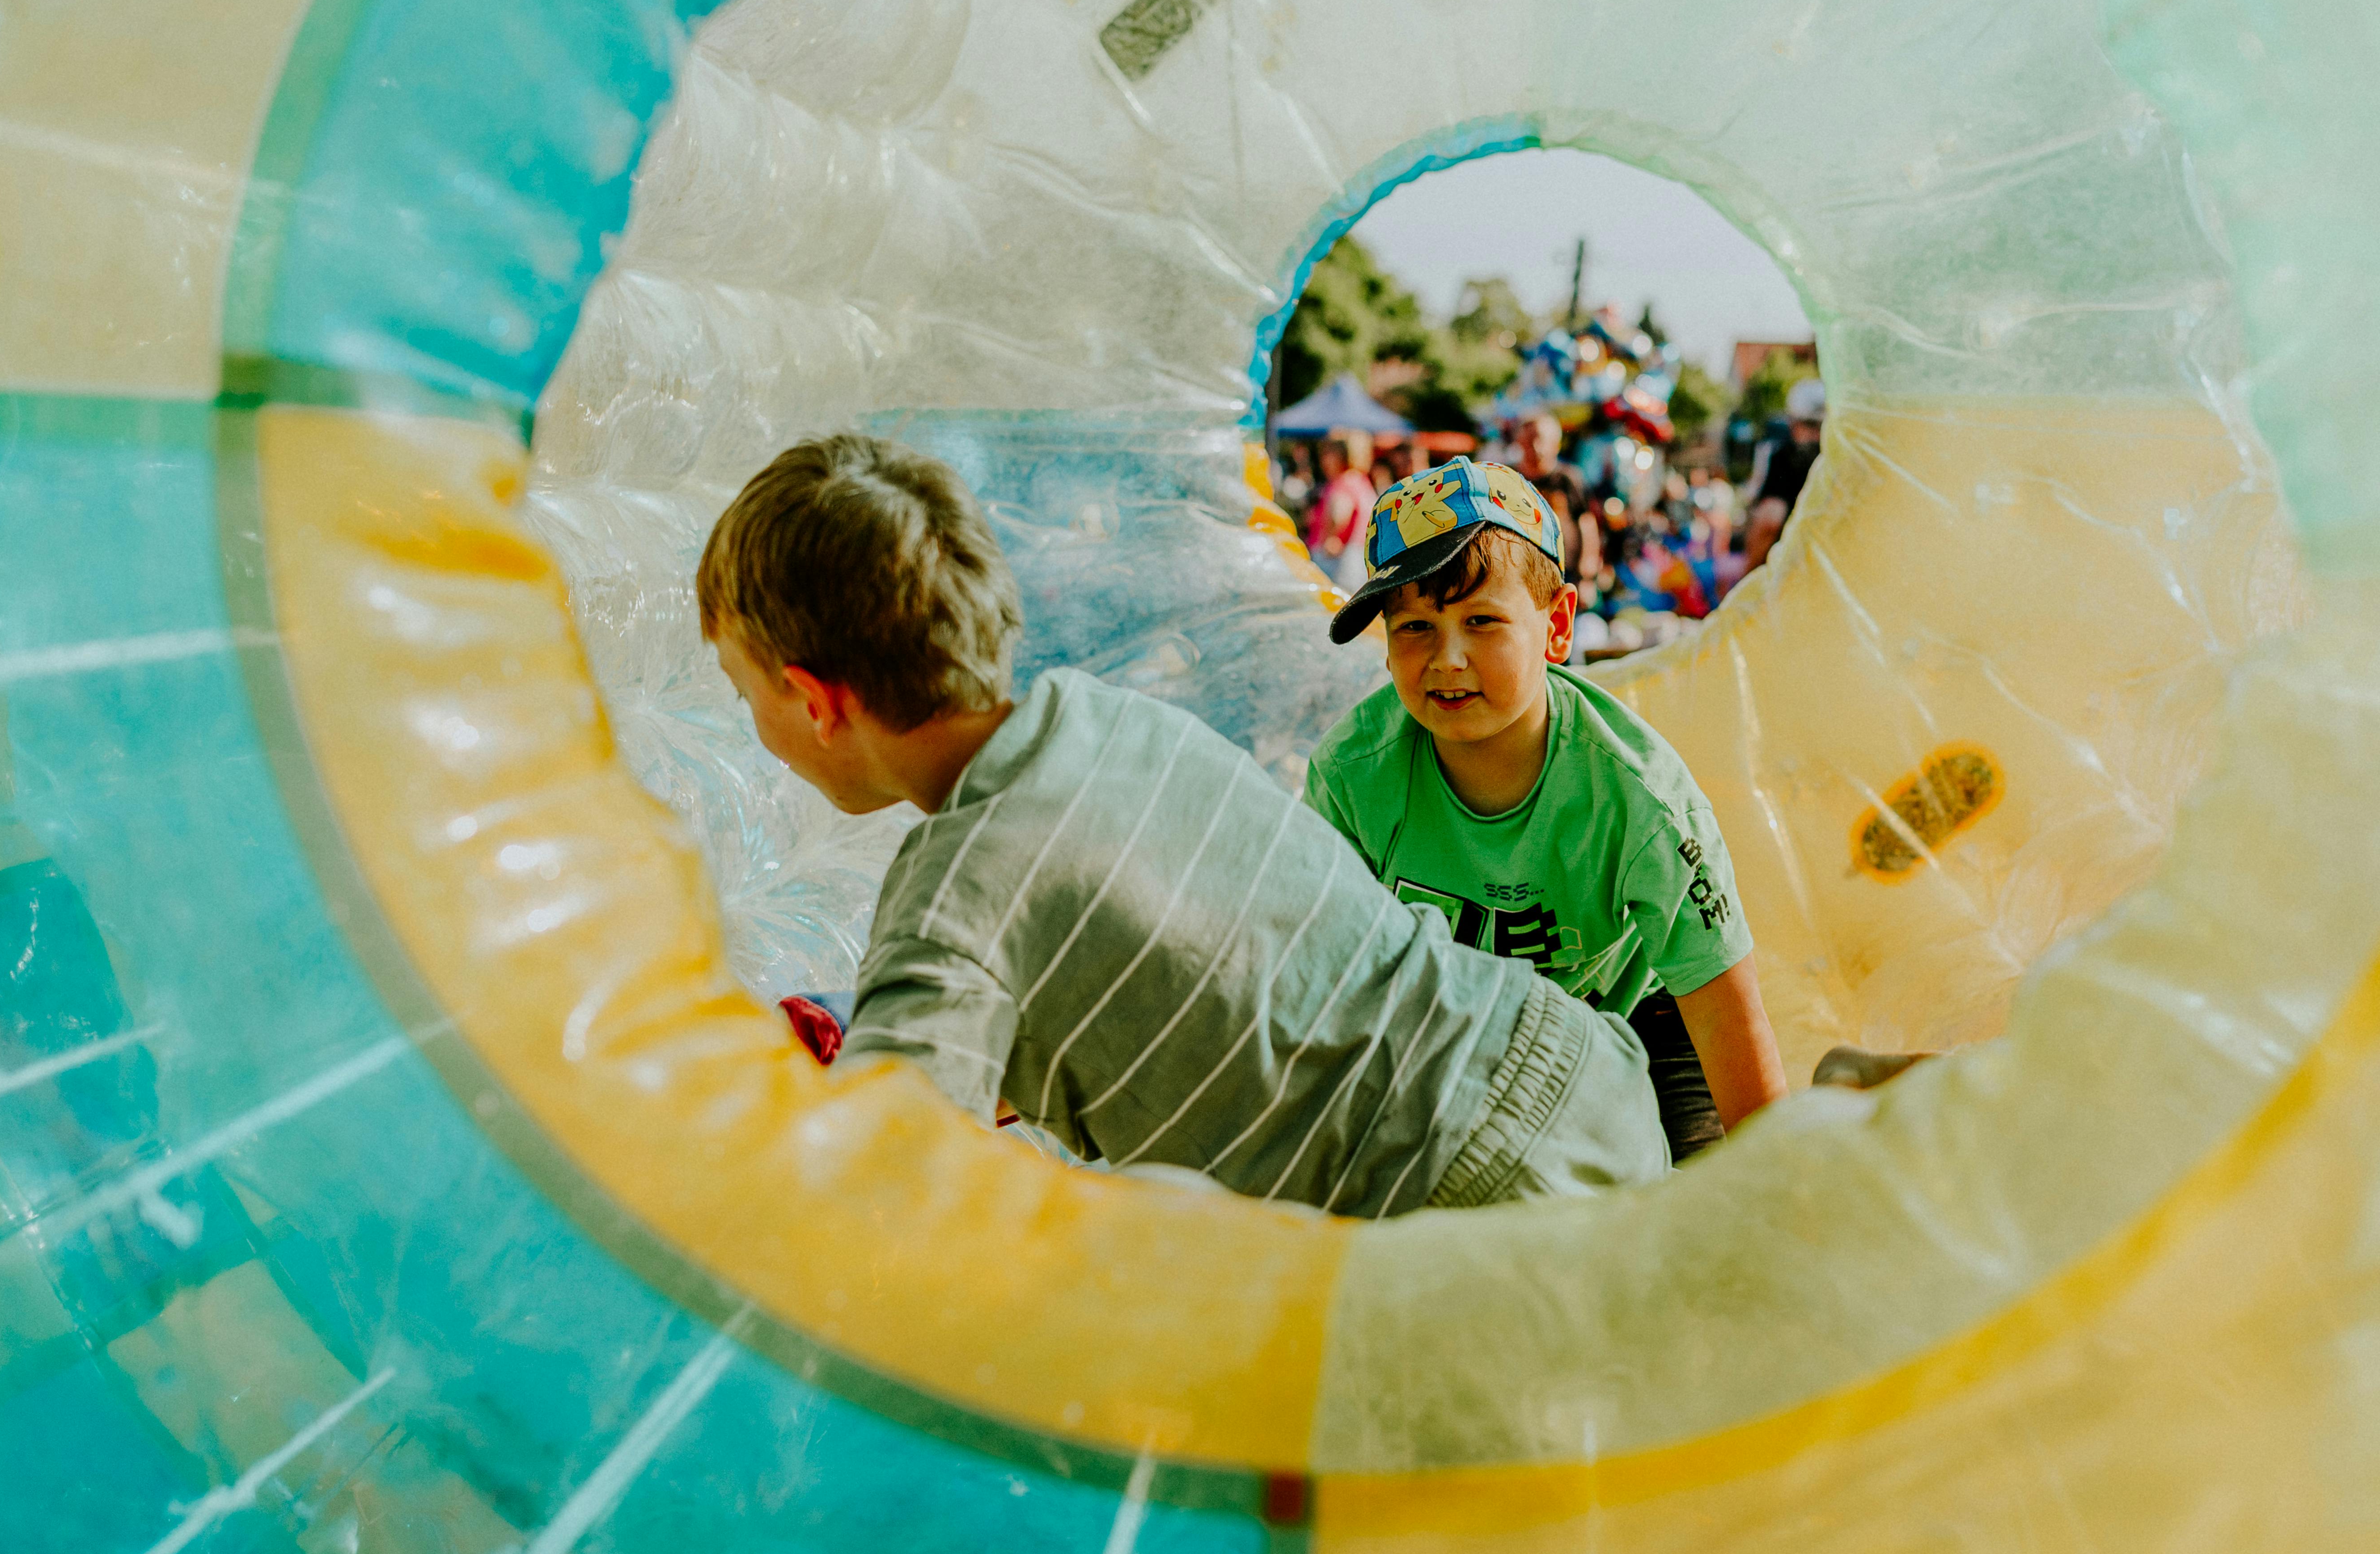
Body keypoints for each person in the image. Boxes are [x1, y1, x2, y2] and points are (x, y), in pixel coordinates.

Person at [699, 433, 1670, 1216]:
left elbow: (875, 1201)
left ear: (812, 699)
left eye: (745, 693)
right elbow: (1172, 1002)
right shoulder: (1111, 724)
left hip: (1450, 1197)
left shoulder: (950, 897)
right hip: (1571, 1067)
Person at [1304, 458, 1788, 1161]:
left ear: (1558, 624)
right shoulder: (1352, 776)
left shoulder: (1638, 794)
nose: (1448, 658)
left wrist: (1776, 1187)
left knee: (1705, 1196)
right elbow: (1320, 983)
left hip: (1636, 1020)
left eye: (1482, 620)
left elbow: (1722, 1010)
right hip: (1454, 1031)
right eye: (1413, 627)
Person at [1742, 375, 1826, 574]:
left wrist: (1748, 576)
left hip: (1790, 572)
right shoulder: (1841, 458)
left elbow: (1770, 519)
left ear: (1793, 421)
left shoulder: (1786, 457)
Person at [1510, 413, 1601, 591]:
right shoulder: (1510, 477)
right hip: (1520, 572)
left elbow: (1586, 522)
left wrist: (1588, 573)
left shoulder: (1568, 479)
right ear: (1519, 442)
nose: (1536, 446)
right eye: (1529, 439)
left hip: (1564, 572)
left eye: (1541, 439)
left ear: (1556, 445)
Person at [1304, 432, 1377, 594]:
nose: (1323, 460)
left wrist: (1332, 537)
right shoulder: (1362, 481)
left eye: (1328, 453)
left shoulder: (1343, 483)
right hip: (1360, 558)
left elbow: (1340, 513)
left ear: (1341, 455)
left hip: (1338, 562)